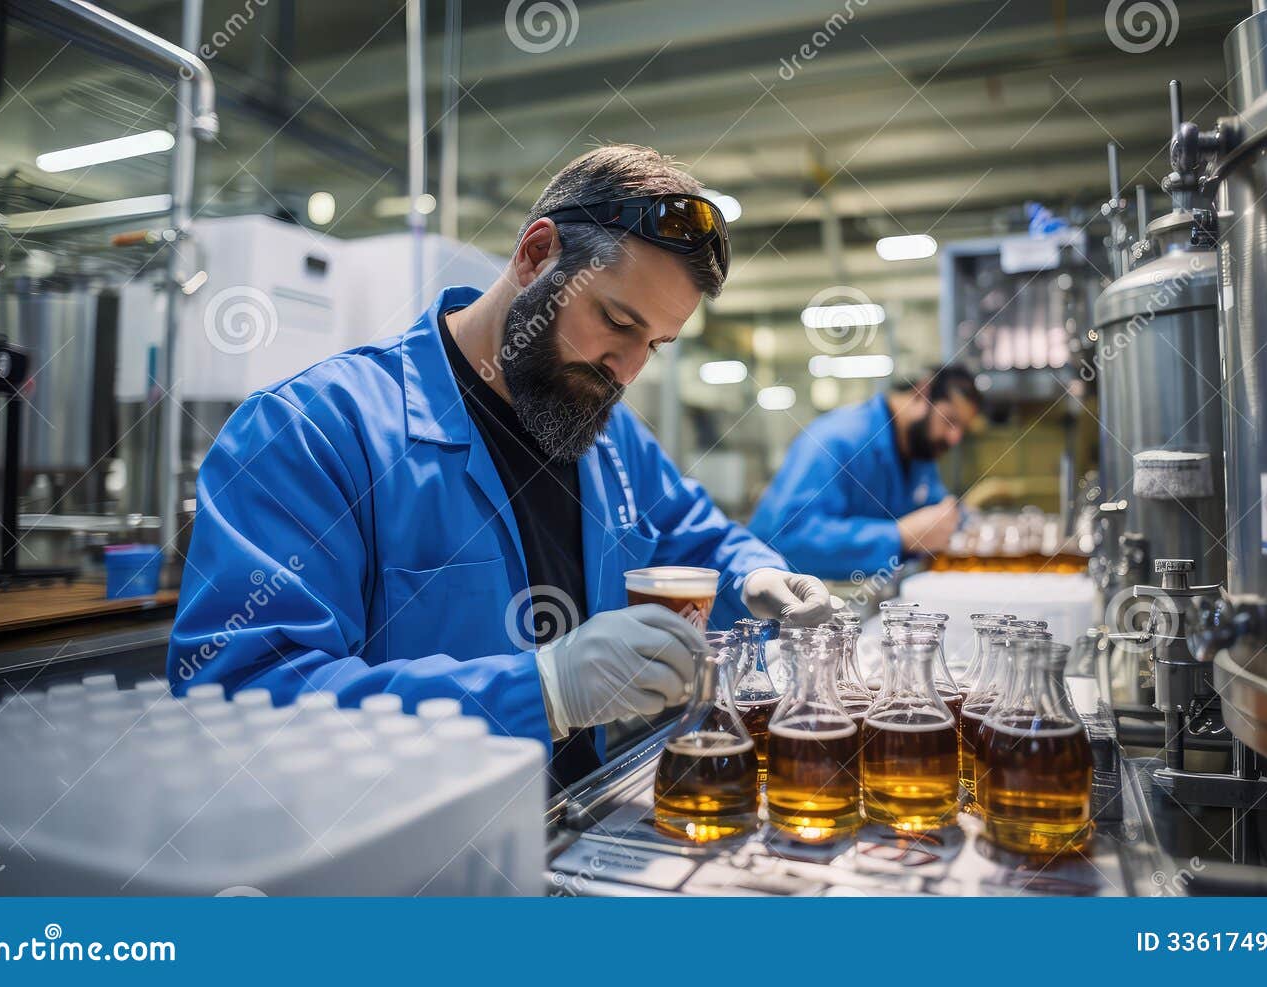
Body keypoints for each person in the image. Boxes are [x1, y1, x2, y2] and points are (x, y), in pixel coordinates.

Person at [168, 145, 832, 787]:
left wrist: (757, 577)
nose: (628, 370)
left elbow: (691, 535)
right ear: (537, 254)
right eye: (617, 321)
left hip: (568, 837)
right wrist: (540, 692)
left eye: (654, 344)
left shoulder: (606, 428)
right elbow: (239, 697)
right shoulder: (317, 431)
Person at [748, 367, 983, 580]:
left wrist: (957, 516)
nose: (955, 438)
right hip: (778, 604)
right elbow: (789, 538)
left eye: (963, 428)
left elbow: (935, 509)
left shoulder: (919, 451)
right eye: (950, 420)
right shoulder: (836, 440)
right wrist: (899, 536)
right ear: (921, 393)